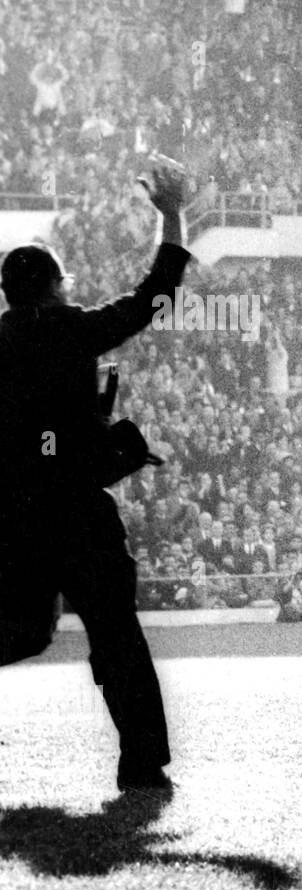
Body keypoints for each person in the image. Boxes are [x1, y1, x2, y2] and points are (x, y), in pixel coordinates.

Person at [0, 155, 190, 796]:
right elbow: (153, 299)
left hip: (17, 515)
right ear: (55, 285)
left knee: (23, 632)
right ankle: (142, 761)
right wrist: (172, 215)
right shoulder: (74, 328)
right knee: (117, 640)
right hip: (78, 511)